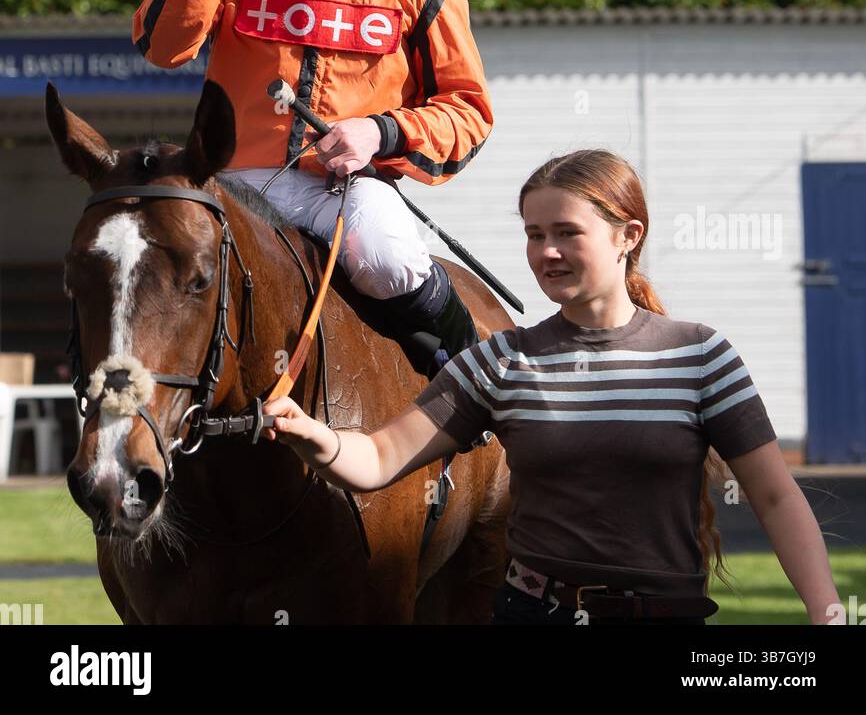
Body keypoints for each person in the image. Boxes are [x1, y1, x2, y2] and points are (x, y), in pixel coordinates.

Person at [260, 149, 842, 626]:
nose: (547, 252)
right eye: (535, 234)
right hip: (534, 614)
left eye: (567, 232)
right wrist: (312, 436)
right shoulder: (502, 359)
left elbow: (774, 497)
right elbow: (381, 456)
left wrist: (827, 612)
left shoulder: (701, 355)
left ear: (627, 236)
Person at [131, 0, 493, 396]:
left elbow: (467, 112)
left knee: (387, 261)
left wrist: (379, 133)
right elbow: (163, 47)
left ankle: (481, 386)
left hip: (347, 186)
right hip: (235, 181)